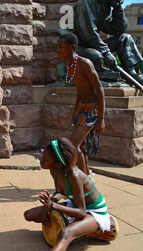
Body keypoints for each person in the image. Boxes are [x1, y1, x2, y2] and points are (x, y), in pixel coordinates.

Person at [17, 137, 111, 251]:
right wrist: (48, 207)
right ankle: (82, 231)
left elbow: (82, 212)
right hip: (75, 205)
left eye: (45, 158)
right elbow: (60, 192)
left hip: (94, 212)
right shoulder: (54, 171)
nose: (41, 160)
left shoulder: (74, 175)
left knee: (66, 233)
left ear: (58, 164)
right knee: (29, 215)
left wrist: (52, 206)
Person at [57, 33, 105, 176]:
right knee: (81, 147)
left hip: (91, 110)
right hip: (81, 109)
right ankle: (87, 175)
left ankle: (85, 183)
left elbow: (100, 89)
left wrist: (101, 118)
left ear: (72, 47)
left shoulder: (85, 64)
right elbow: (80, 89)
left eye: (61, 47)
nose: (57, 50)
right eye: (57, 47)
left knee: (72, 145)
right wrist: (76, 109)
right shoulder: (68, 64)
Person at [73, 0, 143, 85]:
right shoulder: (86, 3)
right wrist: (106, 52)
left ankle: (131, 73)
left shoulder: (106, 6)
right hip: (77, 46)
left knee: (125, 38)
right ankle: (102, 75)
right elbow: (88, 33)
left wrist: (118, 9)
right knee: (97, 56)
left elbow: (118, 30)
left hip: (91, 44)